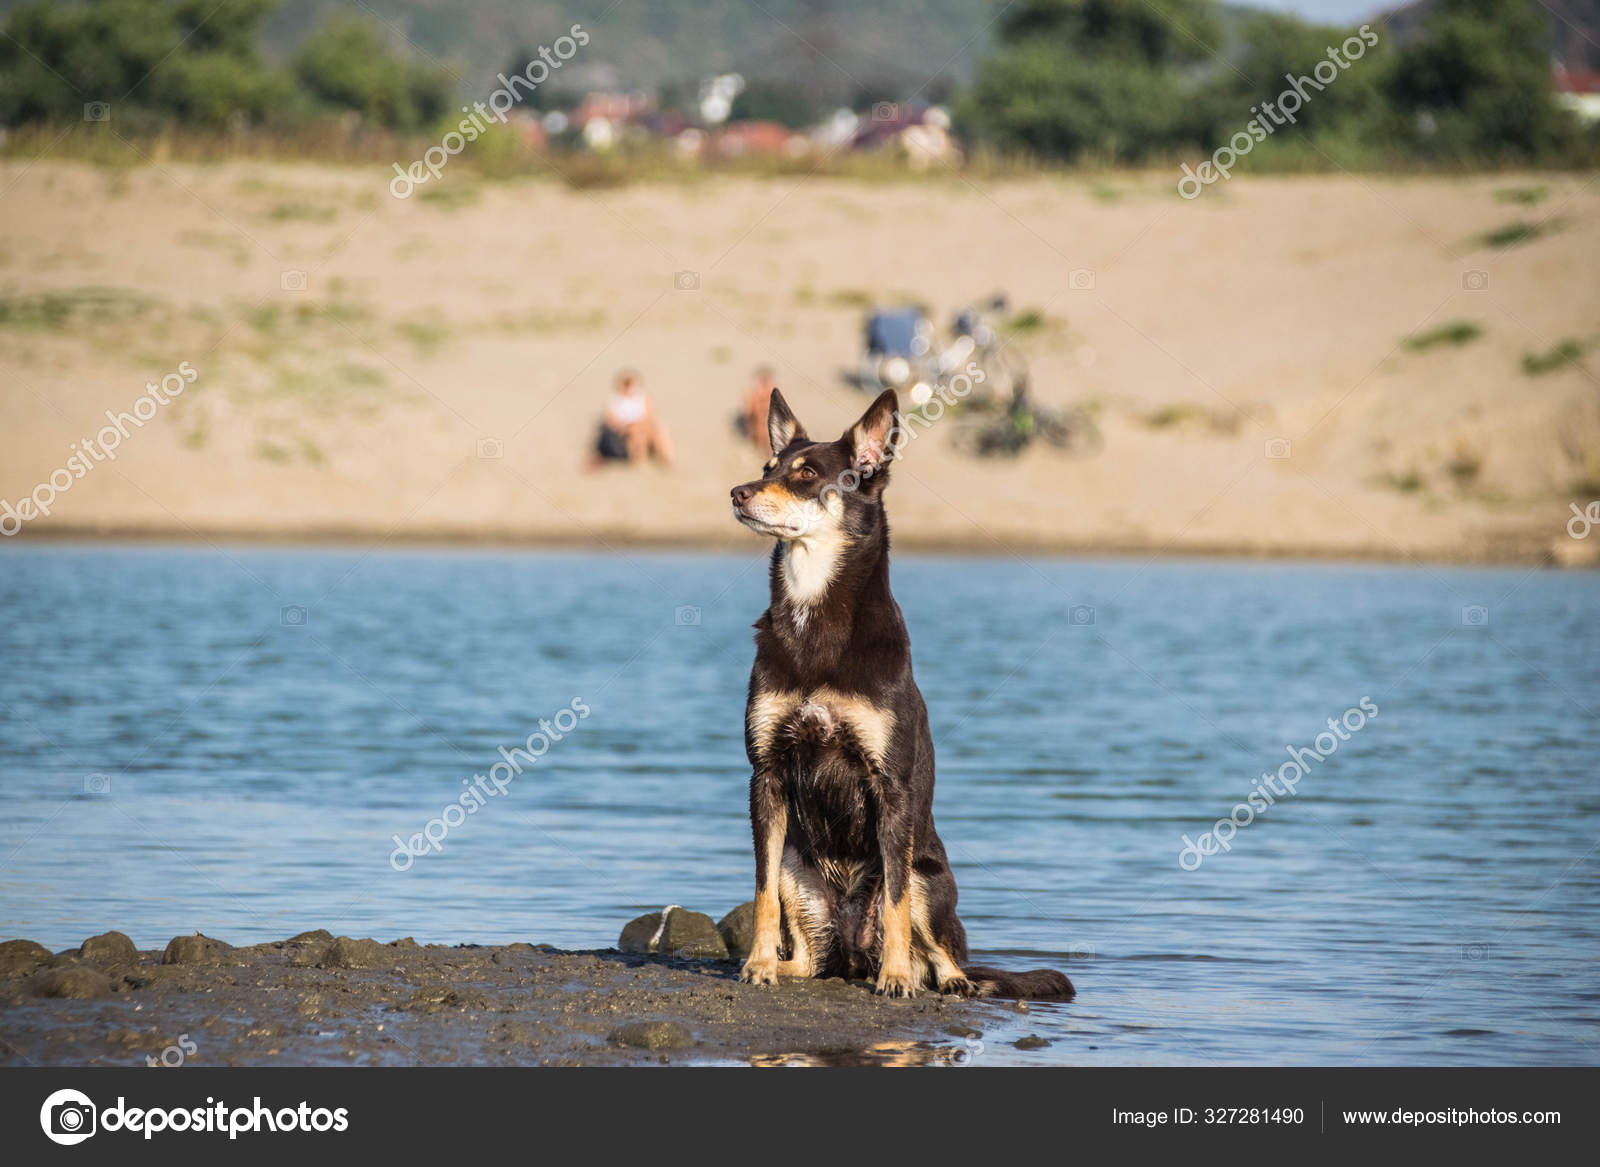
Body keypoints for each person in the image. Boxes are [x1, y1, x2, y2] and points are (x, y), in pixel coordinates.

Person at [589, 370, 673, 469]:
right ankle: (638, 458)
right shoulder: (615, 399)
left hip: (643, 425)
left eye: (630, 384)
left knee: (660, 431)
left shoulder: (641, 397)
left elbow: (649, 414)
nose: (628, 387)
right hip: (624, 428)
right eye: (626, 384)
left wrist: (642, 424)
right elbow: (610, 419)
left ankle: (665, 457)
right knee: (636, 432)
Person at [737, 366, 778, 456]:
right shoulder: (755, 395)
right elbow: (749, 412)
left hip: (767, 428)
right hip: (760, 429)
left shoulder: (767, 392)